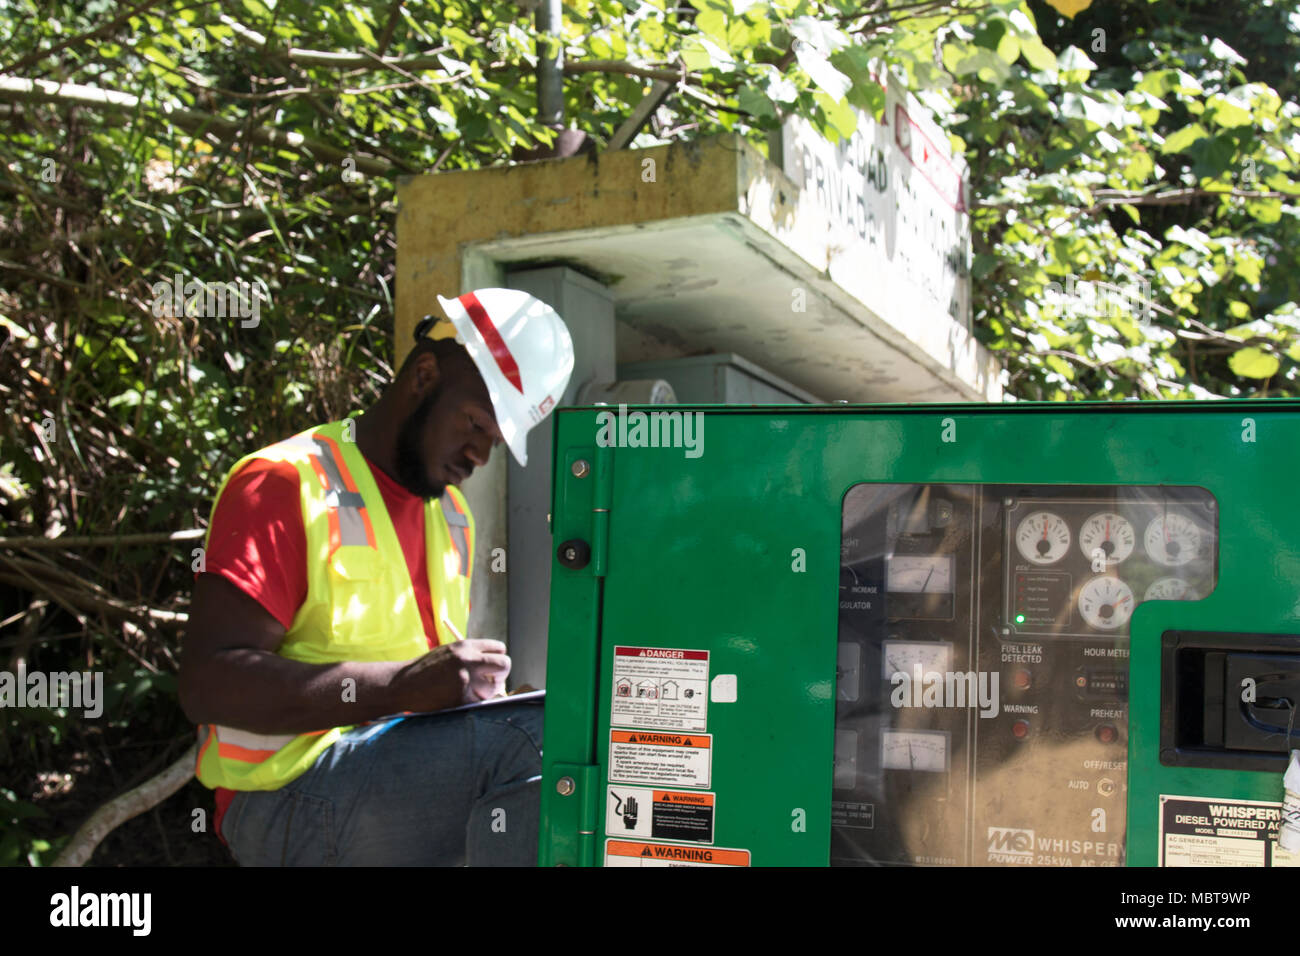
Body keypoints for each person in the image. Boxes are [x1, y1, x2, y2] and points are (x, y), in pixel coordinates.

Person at [178, 289, 574, 865]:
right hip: (280, 799)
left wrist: (465, 695)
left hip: (382, 778)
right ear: (424, 374)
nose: (479, 455)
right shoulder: (285, 483)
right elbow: (206, 684)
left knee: (571, 735)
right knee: (531, 744)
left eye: (493, 439)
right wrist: (401, 687)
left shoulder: (453, 518)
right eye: (474, 423)